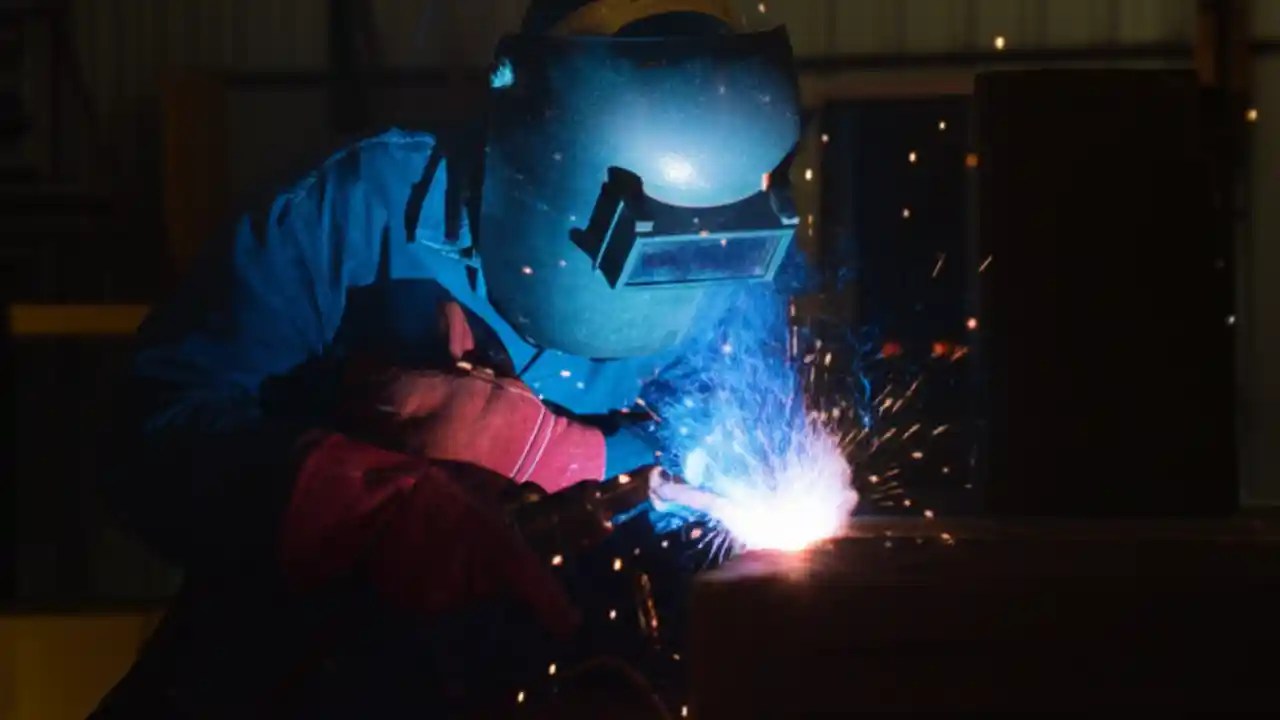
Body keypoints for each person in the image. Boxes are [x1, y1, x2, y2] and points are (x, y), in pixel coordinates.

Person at [95, 0, 802, 716]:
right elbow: (145, 433)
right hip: (301, 674)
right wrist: (356, 497)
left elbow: (738, 455)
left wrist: (586, 461)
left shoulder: (733, 236)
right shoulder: (361, 209)